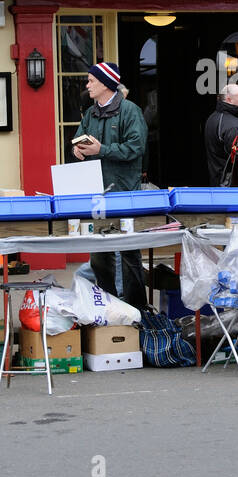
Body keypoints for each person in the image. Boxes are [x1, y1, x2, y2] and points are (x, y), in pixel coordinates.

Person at [73, 61, 148, 309]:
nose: (88, 85)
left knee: (129, 253)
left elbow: (136, 148)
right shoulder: (91, 113)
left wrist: (101, 149)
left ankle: (137, 311)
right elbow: (79, 137)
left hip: (125, 193)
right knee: (100, 254)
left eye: (91, 81)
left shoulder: (130, 111)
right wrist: (78, 149)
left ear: (105, 84)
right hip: (97, 194)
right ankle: (107, 308)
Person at [205, 83, 238, 184]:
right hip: (231, 186)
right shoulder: (233, 126)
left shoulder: (214, 118)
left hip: (218, 181)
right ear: (229, 100)